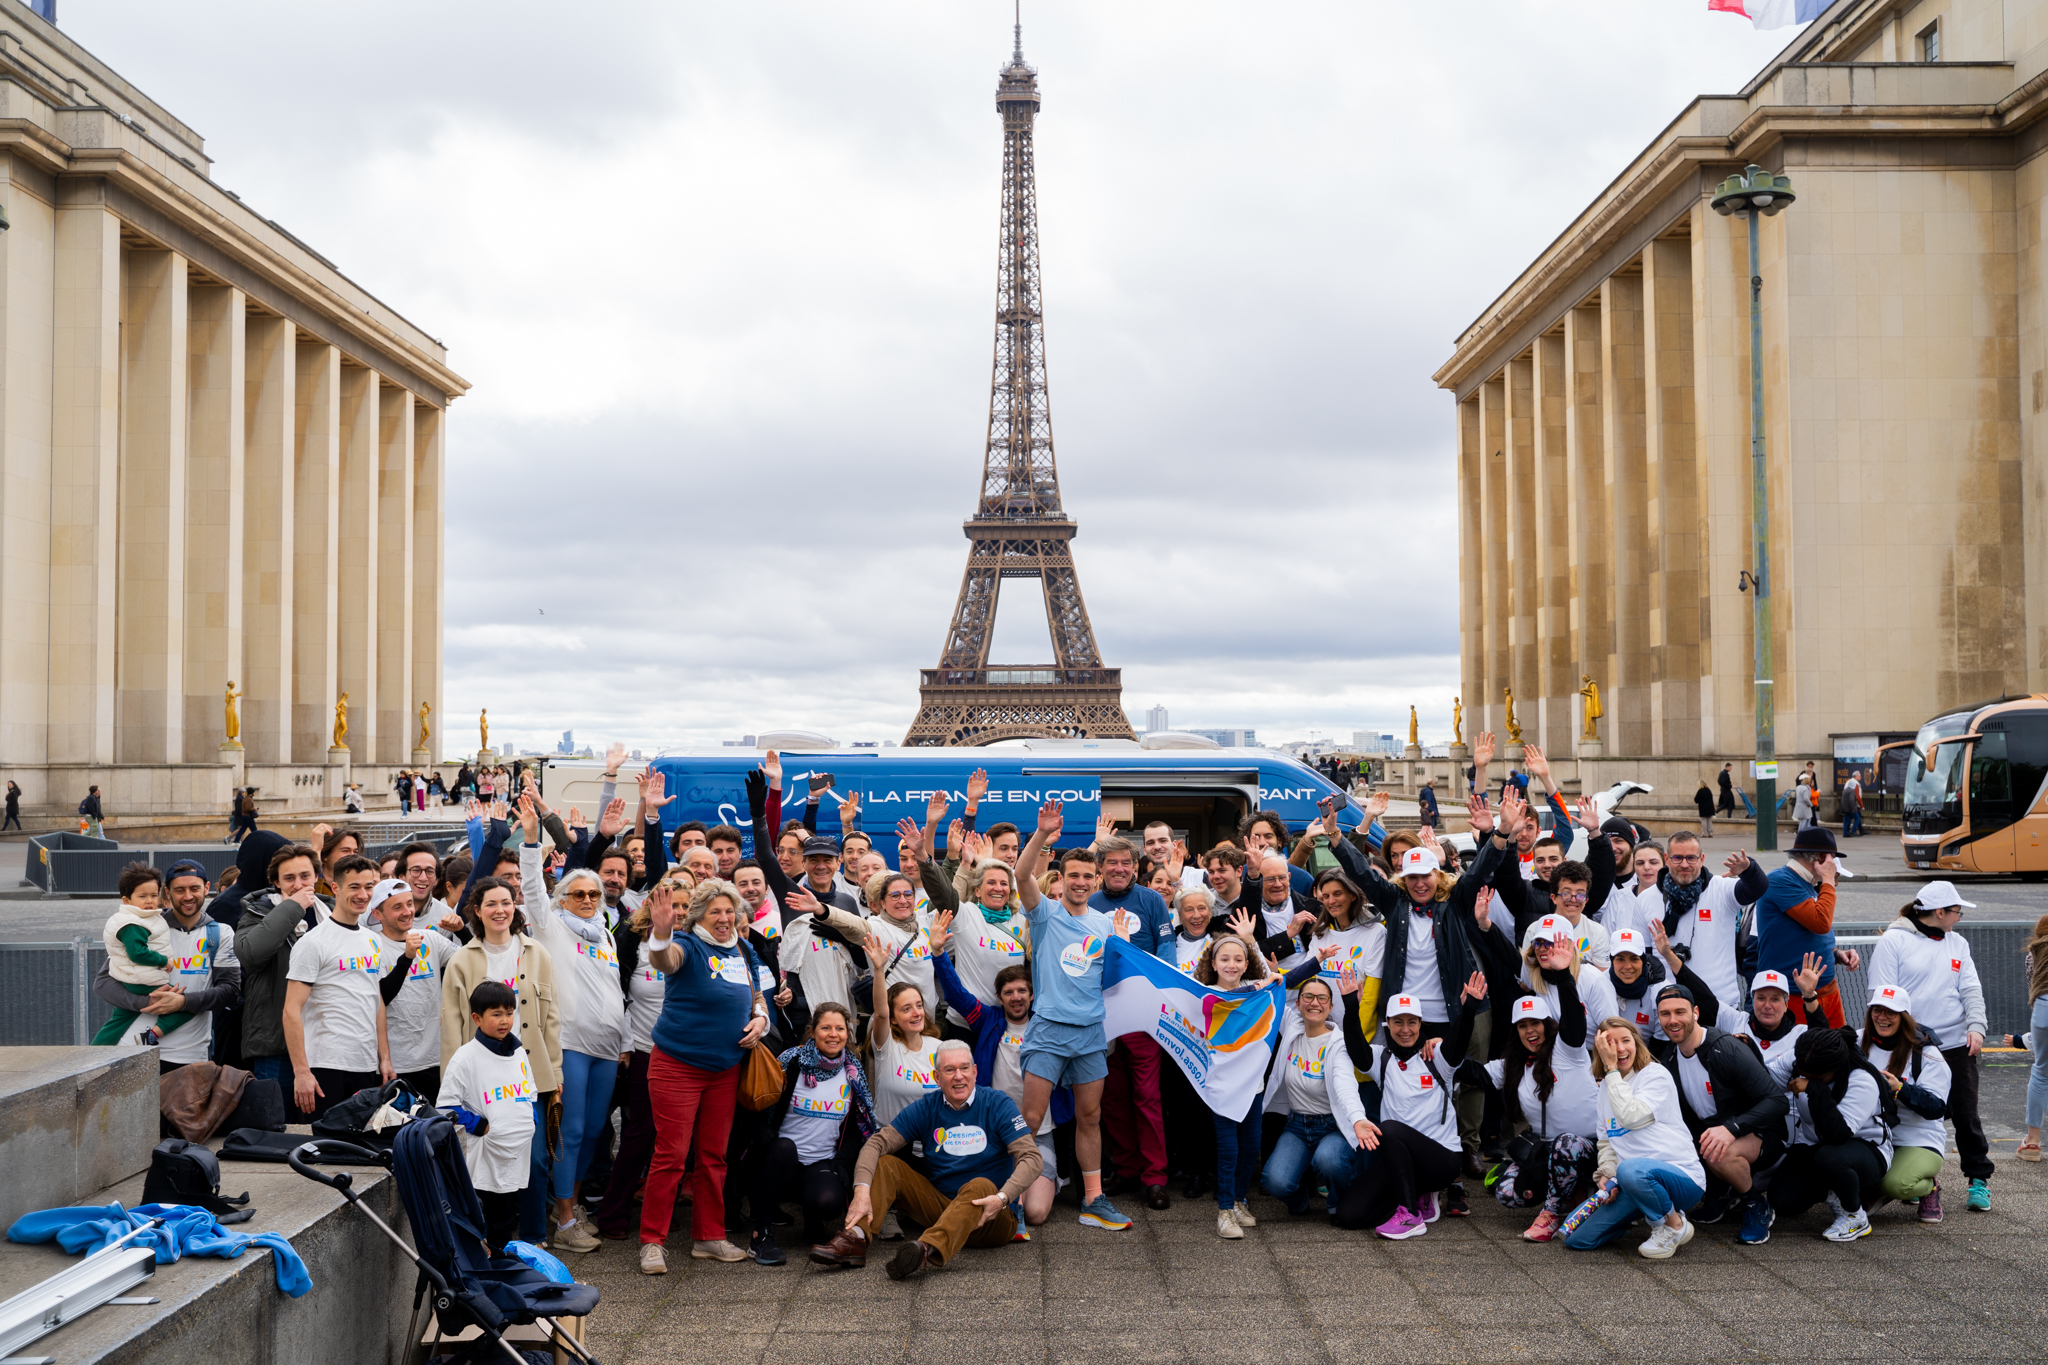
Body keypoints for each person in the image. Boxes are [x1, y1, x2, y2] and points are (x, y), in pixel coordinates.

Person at [811, 1038, 1040, 1278]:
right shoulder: (927, 1107)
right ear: (937, 1077)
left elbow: (1032, 1158)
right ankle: (855, 1239)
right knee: (888, 1164)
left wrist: (1003, 1198)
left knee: (980, 1185)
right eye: (949, 1070)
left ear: (974, 1072)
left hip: (991, 1217)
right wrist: (861, 1191)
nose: (958, 1076)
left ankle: (924, 1250)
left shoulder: (997, 1104)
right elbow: (877, 1143)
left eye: (964, 1068)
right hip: (942, 1207)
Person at [633, 879, 770, 1274]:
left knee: (714, 1156)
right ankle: (653, 1242)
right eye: (716, 912)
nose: (725, 919)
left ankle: (709, 1236)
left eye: (730, 912)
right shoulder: (689, 946)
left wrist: (760, 1019)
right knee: (671, 1155)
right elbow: (665, 960)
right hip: (677, 1066)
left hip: (724, 1070)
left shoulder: (743, 949)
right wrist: (661, 934)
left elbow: (756, 995)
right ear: (699, 916)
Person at [1011, 800, 1133, 1232]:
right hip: (1047, 1030)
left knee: (1090, 1117)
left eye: (1087, 876)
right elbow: (1022, 875)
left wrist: (1121, 945)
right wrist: (1042, 834)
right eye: (1074, 876)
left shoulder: (1103, 925)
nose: (1081, 883)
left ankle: (1094, 1199)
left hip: (1089, 1034)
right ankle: (1015, 1199)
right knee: (1029, 1119)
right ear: (1062, 880)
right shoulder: (1044, 914)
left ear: (1096, 880)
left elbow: (1115, 980)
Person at [512, 797, 626, 1253]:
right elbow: (533, 892)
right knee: (571, 1130)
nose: (587, 900)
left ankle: (573, 1207)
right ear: (562, 899)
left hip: (607, 1046)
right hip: (571, 1044)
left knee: (596, 1131)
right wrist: (532, 840)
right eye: (577, 894)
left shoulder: (606, 934)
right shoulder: (552, 927)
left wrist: (625, 1041)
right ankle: (562, 1218)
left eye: (593, 894)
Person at [440, 875, 562, 1247]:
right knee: (483, 1157)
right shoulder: (462, 960)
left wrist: (555, 1071)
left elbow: (551, 1016)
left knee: (537, 1159)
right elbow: (451, 1022)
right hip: (481, 1078)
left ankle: (533, 1238)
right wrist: (452, 1082)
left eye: (506, 903)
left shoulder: (536, 953)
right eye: (490, 904)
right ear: (477, 911)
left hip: (531, 1072)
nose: (500, 910)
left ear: (515, 907)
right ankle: (491, 1240)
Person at [925, 928, 1064, 1232]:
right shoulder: (988, 1019)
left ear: (1032, 994)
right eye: (1009, 992)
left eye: (1022, 991)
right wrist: (938, 955)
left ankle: (1052, 1180)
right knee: (1006, 1205)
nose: (1016, 997)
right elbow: (957, 996)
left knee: (1036, 1212)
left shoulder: (1047, 1023)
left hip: (1040, 1132)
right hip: (996, 1133)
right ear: (999, 997)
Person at [1868, 879, 1991, 1210]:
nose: (1960, 917)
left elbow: (1971, 989)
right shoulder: (1894, 941)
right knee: (1905, 1110)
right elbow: (1879, 996)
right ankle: (1919, 1178)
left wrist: (1976, 1026)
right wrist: (1909, 1036)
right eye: (1957, 911)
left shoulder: (1957, 944)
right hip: (1910, 1046)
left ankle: (1978, 1179)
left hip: (1954, 1044)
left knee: (1966, 1114)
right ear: (1939, 912)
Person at [1332, 986, 1479, 1238]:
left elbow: (1459, 1040)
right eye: (1398, 1022)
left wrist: (1468, 1011)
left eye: (1412, 1022)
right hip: (1400, 1163)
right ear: (1387, 1024)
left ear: (1421, 1024)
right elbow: (1357, 1049)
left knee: (1388, 1128)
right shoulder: (1383, 1059)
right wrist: (1350, 1006)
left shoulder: (1438, 1057)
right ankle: (1413, 1197)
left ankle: (1410, 1215)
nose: (1405, 1029)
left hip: (1441, 1161)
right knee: (1348, 1215)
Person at [1653, 983, 1790, 1245]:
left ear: (1695, 1012)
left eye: (1680, 1012)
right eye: (1665, 1014)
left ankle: (1756, 1204)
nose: (1673, 1021)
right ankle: (1721, 1192)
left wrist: (1732, 1128)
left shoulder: (1726, 1048)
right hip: (1714, 1133)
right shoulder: (1668, 1056)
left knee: (1718, 1151)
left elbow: (1777, 1101)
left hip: (1762, 1134)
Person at [1563, 1017, 1705, 1258]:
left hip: (1681, 1177)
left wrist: (1611, 1070)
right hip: (1632, 1181)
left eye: (1625, 1041)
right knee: (1575, 1237)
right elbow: (1606, 1139)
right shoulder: (1607, 1087)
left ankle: (1674, 1226)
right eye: (1610, 1044)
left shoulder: (1655, 1075)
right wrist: (1607, 1172)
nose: (1619, 1049)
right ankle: (1641, 1214)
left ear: (1637, 1043)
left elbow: (1630, 1117)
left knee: (1630, 1169)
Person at [749, 1003, 876, 1266]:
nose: (833, 1034)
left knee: (829, 1202)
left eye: (840, 1028)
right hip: (779, 1159)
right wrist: (762, 1137)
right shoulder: (791, 1062)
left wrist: (842, 1162)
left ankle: (812, 1216)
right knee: (784, 1148)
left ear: (847, 1034)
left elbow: (855, 1131)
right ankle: (760, 1235)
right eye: (825, 1028)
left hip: (820, 1162)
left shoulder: (852, 1072)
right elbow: (760, 1105)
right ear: (812, 1032)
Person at [1090, 834, 1176, 1210]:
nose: (1119, 869)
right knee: (1110, 1097)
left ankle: (1155, 1177)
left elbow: (1167, 947)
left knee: (1147, 1096)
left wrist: (1162, 987)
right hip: (1102, 1016)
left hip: (1143, 1015)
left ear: (1136, 867)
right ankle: (1126, 1169)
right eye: (1112, 863)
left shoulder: (1152, 900)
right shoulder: (1089, 903)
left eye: (1126, 863)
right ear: (1100, 868)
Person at [90, 861, 239, 1072]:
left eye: (194, 888)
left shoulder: (221, 934)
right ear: (167, 893)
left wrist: (183, 1002)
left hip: (190, 1054)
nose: (188, 896)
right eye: (179, 890)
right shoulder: (146, 926)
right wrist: (145, 1001)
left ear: (206, 888)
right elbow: (103, 982)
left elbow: (231, 992)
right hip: (132, 1048)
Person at [1475, 993, 1597, 1242]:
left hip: (1590, 1150)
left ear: (1548, 1025)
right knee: (1507, 1193)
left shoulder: (1568, 1050)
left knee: (1566, 1143)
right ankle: (1574, 1194)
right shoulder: (1513, 1065)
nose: (1530, 1031)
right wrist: (1441, 1051)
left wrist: (1564, 976)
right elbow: (1471, 1073)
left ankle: (1550, 1213)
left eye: (1535, 1023)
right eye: (1522, 1025)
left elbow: (1574, 1020)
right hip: (1548, 1151)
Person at [283, 854, 395, 1120]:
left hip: (365, 1064)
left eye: (368, 887)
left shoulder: (372, 940)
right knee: (321, 1153)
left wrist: (384, 1058)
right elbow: (290, 1010)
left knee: (358, 1154)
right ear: (335, 888)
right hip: (324, 1065)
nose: (362, 895)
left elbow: (376, 1001)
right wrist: (301, 1071)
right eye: (354, 887)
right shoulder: (313, 942)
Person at [1769, 1025, 1896, 1242]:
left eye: (1818, 1078)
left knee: (1830, 1157)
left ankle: (1855, 1216)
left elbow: (1837, 1134)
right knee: (1782, 1200)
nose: (1805, 1077)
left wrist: (1814, 1089)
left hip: (1865, 1149)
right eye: (1803, 1073)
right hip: (1813, 1143)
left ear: (1836, 1068)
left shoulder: (1862, 1080)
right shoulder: (1803, 1058)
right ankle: (1834, 1191)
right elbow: (1766, 1079)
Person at [438, 981, 538, 1253]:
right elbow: (445, 1107)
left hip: (516, 1157)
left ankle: (502, 1270)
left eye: (509, 1012)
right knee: (484, 1220)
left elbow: (530, 1092)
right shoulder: (465, 1057)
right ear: (477, 1018)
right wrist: (479, 1125)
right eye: (496, 1014)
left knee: (506, 1219)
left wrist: (532, 1120)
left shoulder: (518, 1052)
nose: (504, 1020)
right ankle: (483, 1273)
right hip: (485, 1159)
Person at [1261, 976, 1368, 1223]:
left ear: (1331, 1007)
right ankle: (1300, 1203)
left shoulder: (1338, 1044)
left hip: (1332, 1126)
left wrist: (1357, 1119)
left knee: (1329, 1161)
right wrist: (1269, 967)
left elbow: (1345, 1086)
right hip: (1297, 1126)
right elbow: (1269, 994)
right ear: (1297, 1004)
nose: (1314, 1003)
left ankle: (1338, 1199)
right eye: (1308, 997)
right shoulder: (1291, 1027)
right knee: (1274, 1182)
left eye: (1322, 998)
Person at [1637, 834, 1766, 1017]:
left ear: (1702, 859)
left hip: (1720, 1005)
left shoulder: (1722, 890)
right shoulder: (1646, 899)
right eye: (1677, 858)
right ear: (1667, 859)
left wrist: (1749, 870)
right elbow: (1644, 956)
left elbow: (1757, 889)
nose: (1684, 864)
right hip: (1668, 1007)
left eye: (1691, 858)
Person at [1859, 983, 1951, 1221]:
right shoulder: (1858, 1040)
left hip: (1917, 1136)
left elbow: (1936, 1108)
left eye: (1891, 1012)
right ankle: (1876, 1185)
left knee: (1898, 1185)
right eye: (1877, 1010)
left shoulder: (1926, 1053)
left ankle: (1928, 1187)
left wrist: (1900, 1088)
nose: (1882, 1017)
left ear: (1904, 1017)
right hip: (1872, 1133)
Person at [1752, 827, 1853, 1028]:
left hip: (1825, 988)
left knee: (1840, 1051)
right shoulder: (1780, 880)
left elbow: (1809, 932)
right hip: (1795, 994)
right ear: (1821, 858)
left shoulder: (1805, 883)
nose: (1833, 865)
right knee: (1805, 1054)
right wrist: (1827, 881)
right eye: (1831, 859)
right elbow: (1821, 922)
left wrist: (1834, 953)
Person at [369, 878, 455, 1100]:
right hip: (396, 1065)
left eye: (409, 903)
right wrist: (407, 957)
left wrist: (462, 931)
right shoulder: (371, 946)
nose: (407, 911)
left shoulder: (431, 938)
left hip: (436, 1059)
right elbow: (382, 999)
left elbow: (469, 962)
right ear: (378, 915)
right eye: (397, 907)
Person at [94, 865, 194, 1045]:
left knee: (118, 1021)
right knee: (186, 1006)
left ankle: (93, 1054)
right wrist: (164, 961)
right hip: (143, 981)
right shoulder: (133, 924)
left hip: (131, 979)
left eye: (154, 895)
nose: (149, 901)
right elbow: (137, 953)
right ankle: (151, 1035)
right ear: (126, 900)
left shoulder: (137, 918)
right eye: (142, 896)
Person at [2022, 913, 2048, 1165]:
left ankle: (2032, 1143)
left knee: (2041, 1072)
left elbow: (2033, 986)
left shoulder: (2033, 954)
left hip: (2043, 1010)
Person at [1839, 770, 1865, 838]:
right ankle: (1853, 831)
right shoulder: (1852, 791)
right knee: (1857, 818)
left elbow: (1843, 799)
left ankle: (1846, 833)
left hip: (1845, 808)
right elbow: (1852, 800)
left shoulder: (1845, 790)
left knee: (1846, 820)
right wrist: (1854, 808)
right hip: (1851, 808)